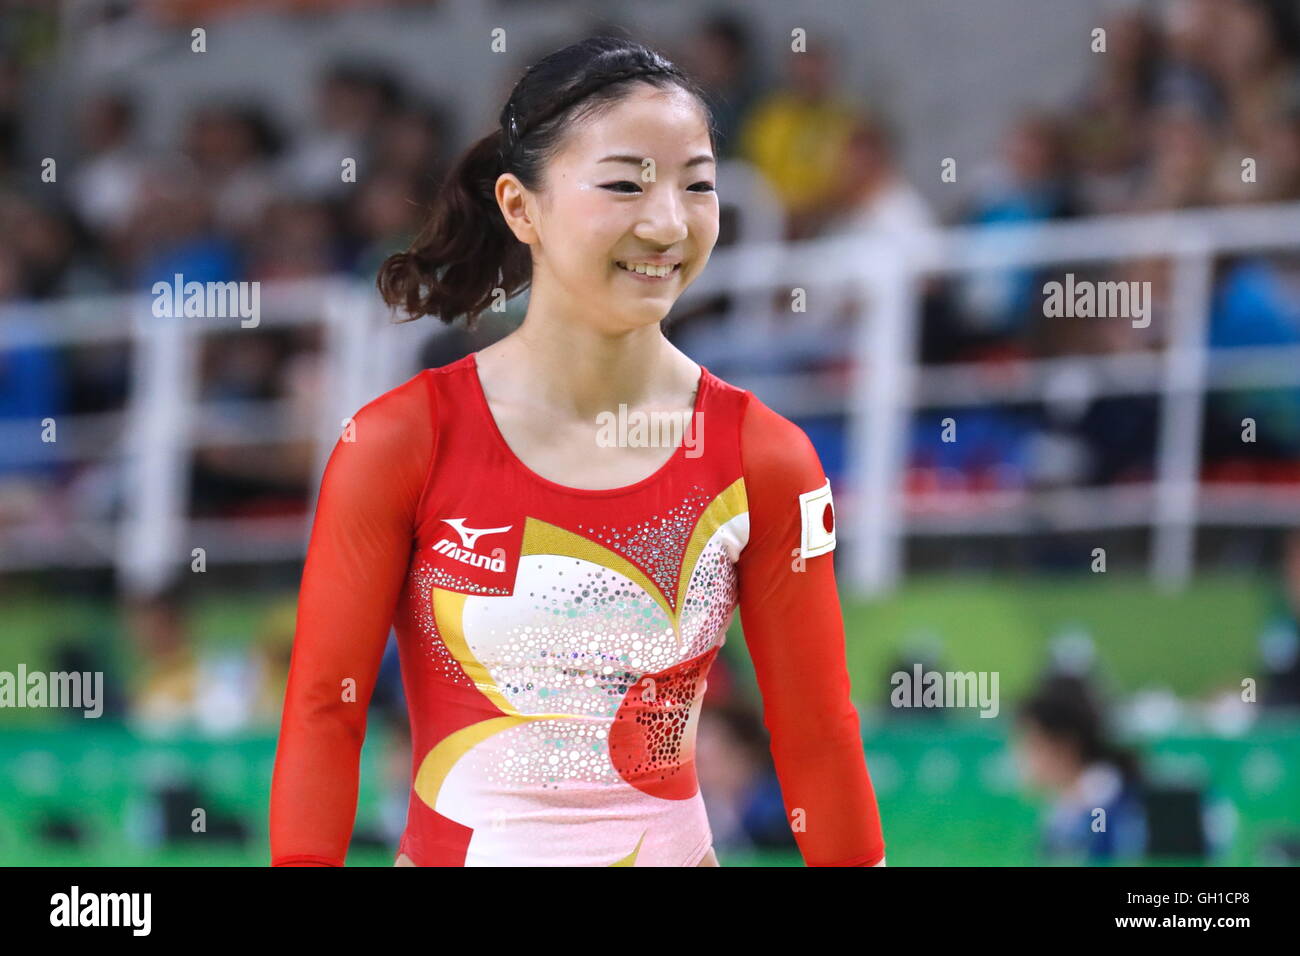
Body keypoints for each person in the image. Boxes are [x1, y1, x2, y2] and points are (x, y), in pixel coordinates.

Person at [269, 35, 886, 868]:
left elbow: (816, 732)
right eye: (626, 183)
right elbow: (324, 712)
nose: (668, 222)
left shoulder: (765, 457)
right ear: (522, 208)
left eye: (697, 184)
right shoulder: (399, 442)